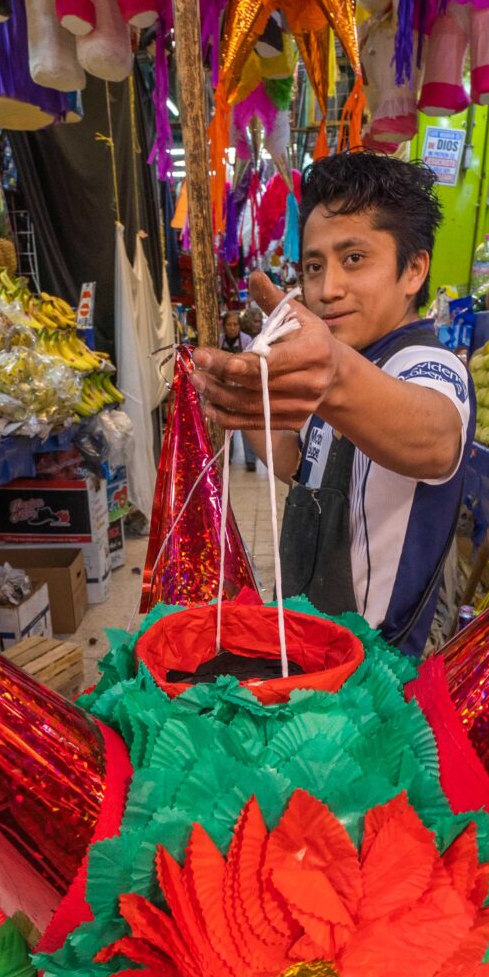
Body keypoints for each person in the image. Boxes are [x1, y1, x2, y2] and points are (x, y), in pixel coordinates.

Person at [192, 153, 472, 657]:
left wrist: (334, 372)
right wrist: (244, 399)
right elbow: (298, 464)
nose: (327, 290)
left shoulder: (427, 364)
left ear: (413, 270)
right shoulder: (343, 360)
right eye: (315, 266)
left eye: (355, 259)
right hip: (310, 645)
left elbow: (435, 437)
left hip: (380, 671)